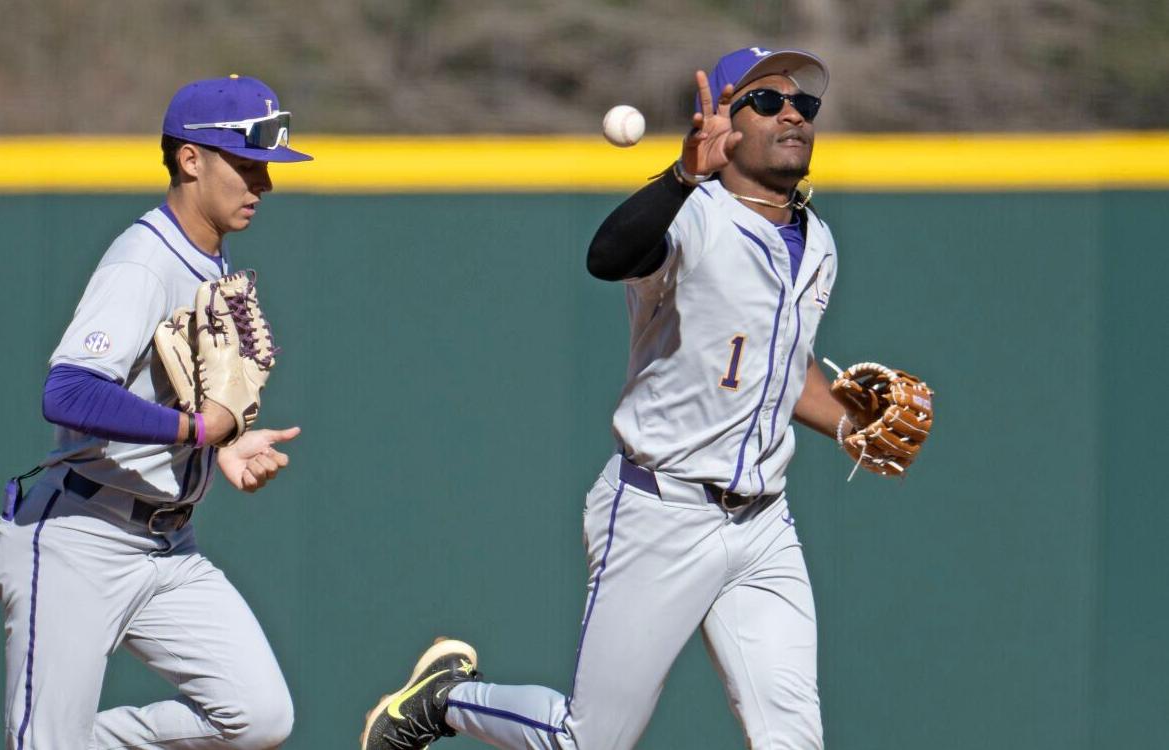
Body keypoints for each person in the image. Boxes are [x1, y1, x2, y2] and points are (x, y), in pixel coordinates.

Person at [362, 46, 850, 750]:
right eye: (766, 101)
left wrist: (850, 422)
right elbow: (608, 256)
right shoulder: (694, 217)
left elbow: (775, 366)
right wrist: (682, 175)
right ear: (720, 119)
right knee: (587, 742)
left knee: (793, 741)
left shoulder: (818, 241)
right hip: (662, 509)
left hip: (763, 526)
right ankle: (444, 702)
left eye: (802, 105)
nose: (791, 115)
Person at [0, 74, 308, 749]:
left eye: (267, 169)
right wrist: (195, 430)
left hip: (165, 548)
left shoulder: (209, 253)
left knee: (258, 718)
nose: (264, 185)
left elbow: (164, 385)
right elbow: (68, 390)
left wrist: (219, 448)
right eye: (247, 166)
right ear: (190, 159)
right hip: (80, 534)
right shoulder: (143, 261)